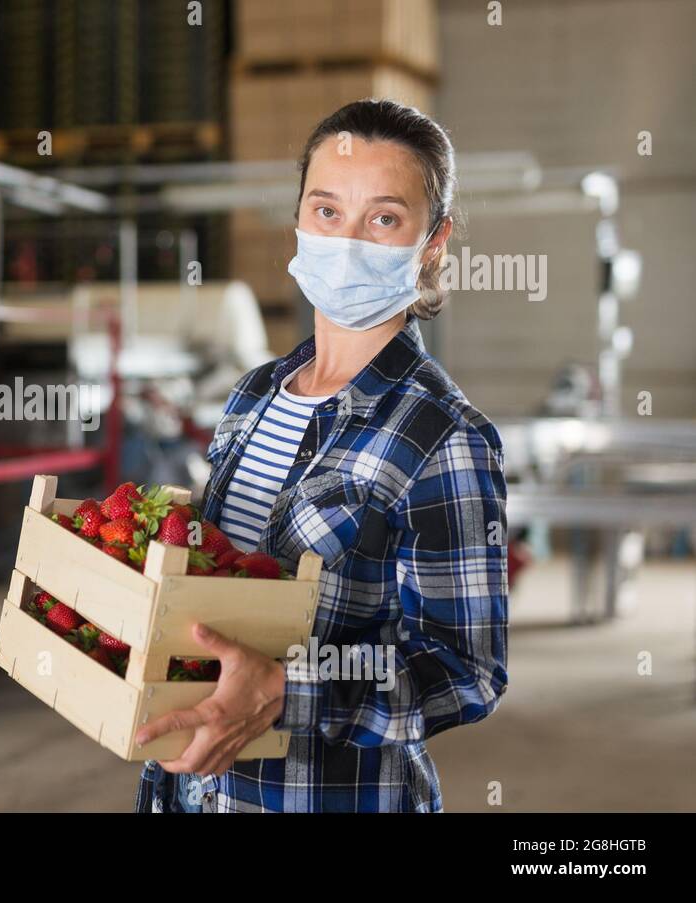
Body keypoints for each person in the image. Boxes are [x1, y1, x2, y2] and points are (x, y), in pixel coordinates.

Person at [135, 100, 509, 812]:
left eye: (385, 218)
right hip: (192, 789)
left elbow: (467, 669)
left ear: (433, 241)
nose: (348, 241)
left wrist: (288, 686)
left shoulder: (441, 434)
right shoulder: (252, 396)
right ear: (299, 222)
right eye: (328, 210)